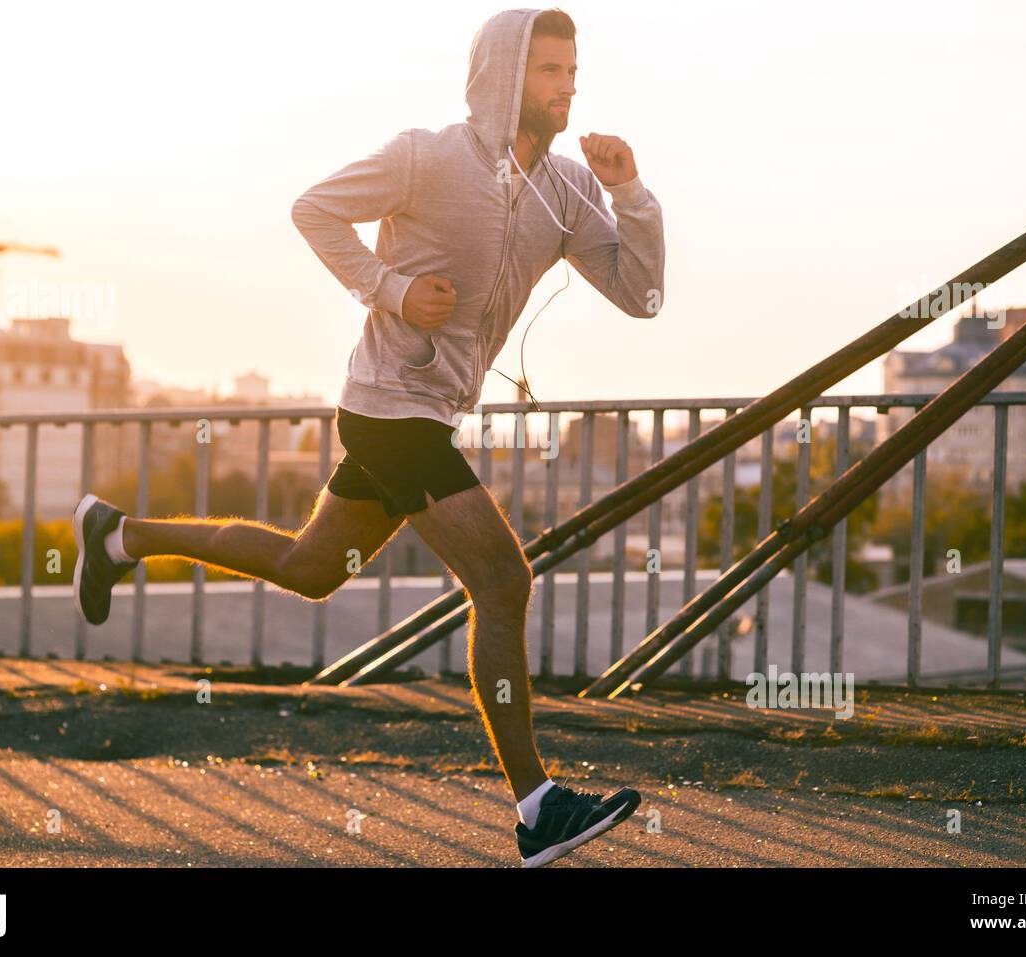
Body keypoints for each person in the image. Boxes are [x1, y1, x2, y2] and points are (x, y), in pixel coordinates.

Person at [73, 7, 665, 868]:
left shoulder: (569, 188)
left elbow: (641, 295)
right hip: (389, 406)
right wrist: (389, 288)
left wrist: (631, 194)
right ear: (503, 74)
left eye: (573, 69)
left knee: (311, 567)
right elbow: (313, 210)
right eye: (548, 70)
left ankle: (117, 533)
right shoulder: (427, 157)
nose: (567, 85)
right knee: (502, 580)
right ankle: (538, 805)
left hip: (427, 413)